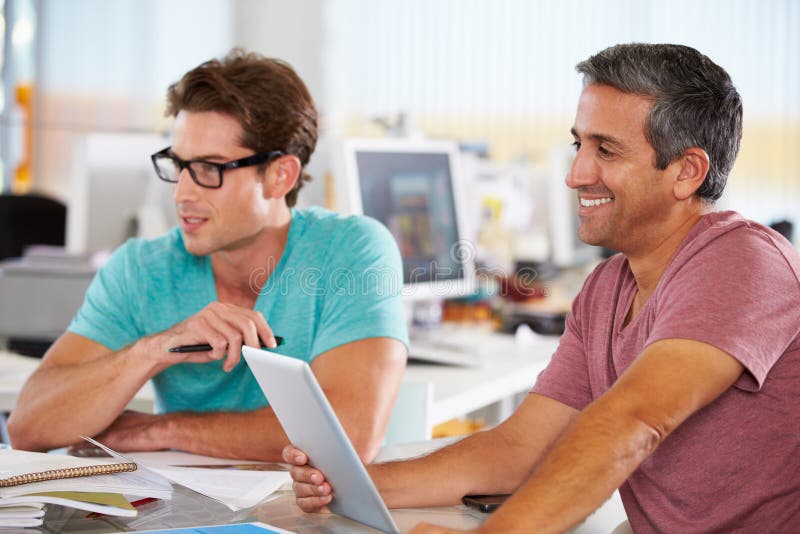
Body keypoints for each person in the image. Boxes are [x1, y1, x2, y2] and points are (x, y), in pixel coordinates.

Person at [285, 43, 800, 532]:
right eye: (579, 144)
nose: (575, 174)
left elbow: (637, 419)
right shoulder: (607, 287)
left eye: (607, 151)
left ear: (687, 171)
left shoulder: (742, 261)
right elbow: (519, 449)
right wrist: (355, 485)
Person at [8, 49, 408, 462]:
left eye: (210, 168)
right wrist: (156, 349)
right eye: (179, 165)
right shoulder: (141, 267)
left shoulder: (352, 250)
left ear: (279, 175)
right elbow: (28, 425)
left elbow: (350, 435)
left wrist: (163, 429)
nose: (182, 193)